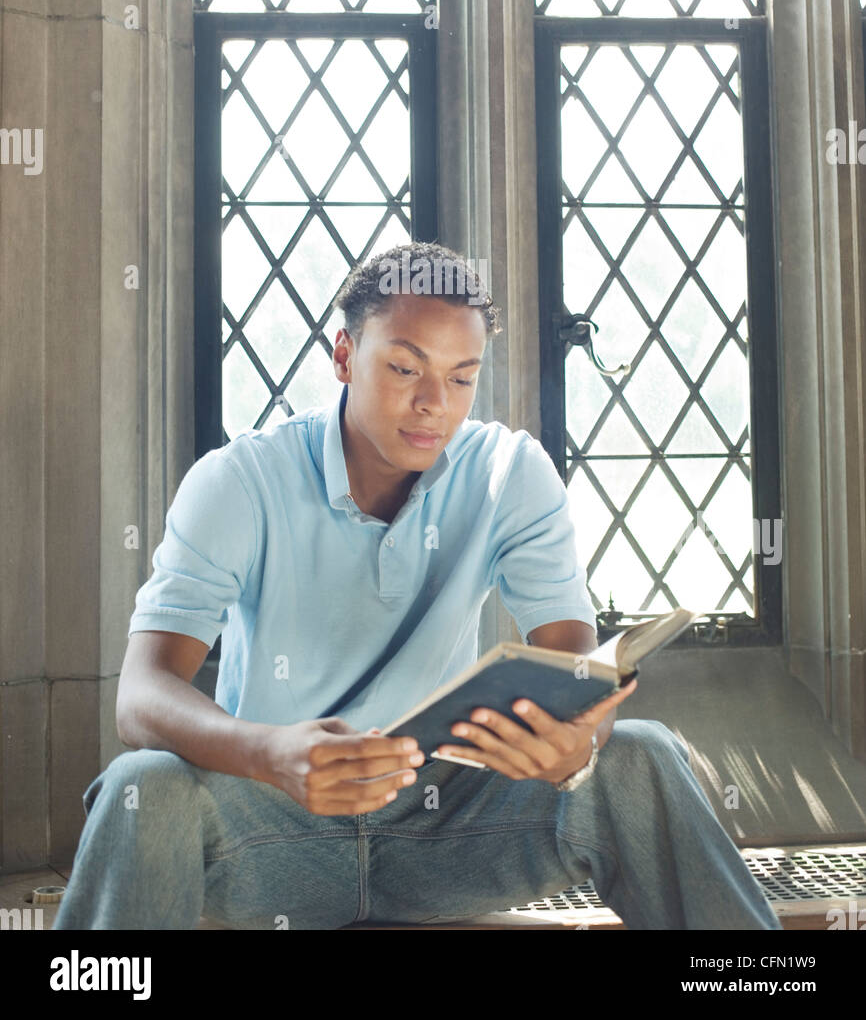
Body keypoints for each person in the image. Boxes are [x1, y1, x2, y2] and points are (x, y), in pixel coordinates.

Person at [54, 243, 782, 931]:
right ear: (344, 357)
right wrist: (270, 754)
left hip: (453, 827)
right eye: (405, 369)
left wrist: (574, 751)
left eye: (462, 376)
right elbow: (141, 696)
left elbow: (576, 677)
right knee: (142, 784)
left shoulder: (510, 473)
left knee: (639, 753)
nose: (436, 401)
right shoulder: (237, 481)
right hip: (275, 825)